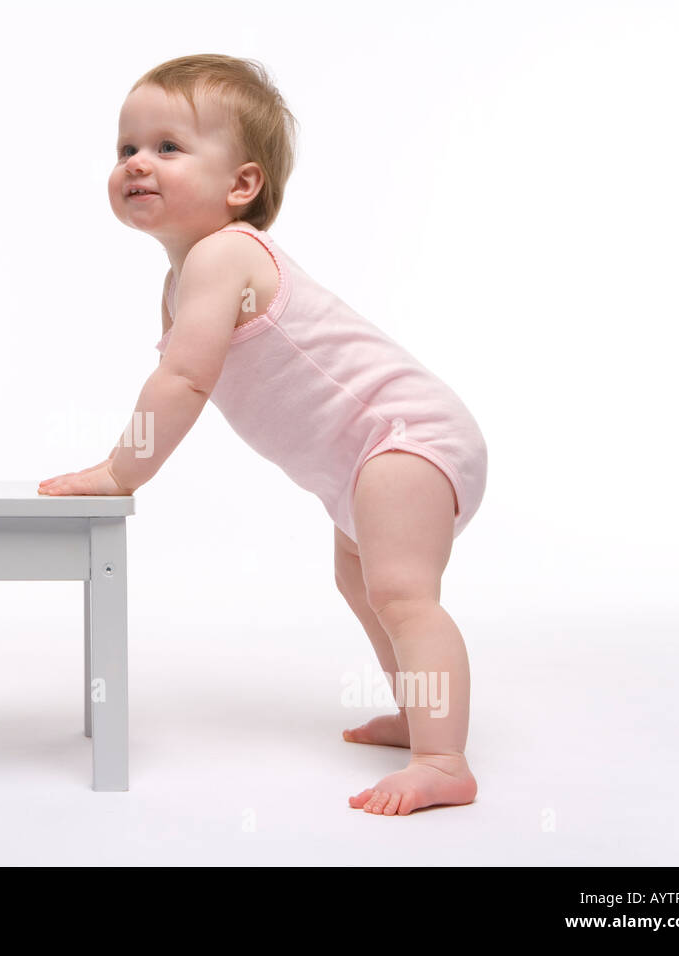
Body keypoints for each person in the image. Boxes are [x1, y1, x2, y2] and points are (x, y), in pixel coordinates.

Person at [38, 54, 488, 815]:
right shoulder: (184, 279)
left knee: (404, 595)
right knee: (365, 585)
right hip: (360, 465)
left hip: (405, 436)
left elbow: (184, 382)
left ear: (241, 185)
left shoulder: (226, 254)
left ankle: (443, 759)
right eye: (126, 149)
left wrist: (122, 470)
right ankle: (421, 712)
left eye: (168, 147)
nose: (137, 163)